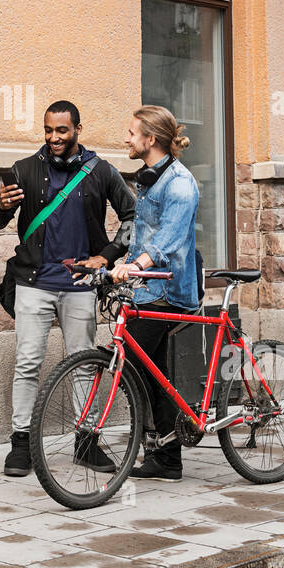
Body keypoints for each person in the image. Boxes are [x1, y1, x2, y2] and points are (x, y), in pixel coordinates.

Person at [0, 100, 135, 477]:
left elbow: (134, 214)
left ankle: (85, 443)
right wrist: (1, 207)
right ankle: (21, 444)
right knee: (27, 364)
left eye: (62, 131)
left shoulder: (100, 171)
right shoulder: (23, 169)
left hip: (81, 285)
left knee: (84, 364)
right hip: (33, 282)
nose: (54, 138)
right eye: (48, 130)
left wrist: (108, 255)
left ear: (77, 130)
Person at [109, 105, 200, 480]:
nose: (126, 138)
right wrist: (106, 260)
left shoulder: (179, 183)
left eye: (132, 133)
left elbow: (167, 240)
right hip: (146, 287)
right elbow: (139, 234)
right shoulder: (149, 178)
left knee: (137, 362)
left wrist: (136, 266)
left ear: (151, 139)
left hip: (169, 289)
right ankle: (166, 453)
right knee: (150, 369)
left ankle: (165, 451)